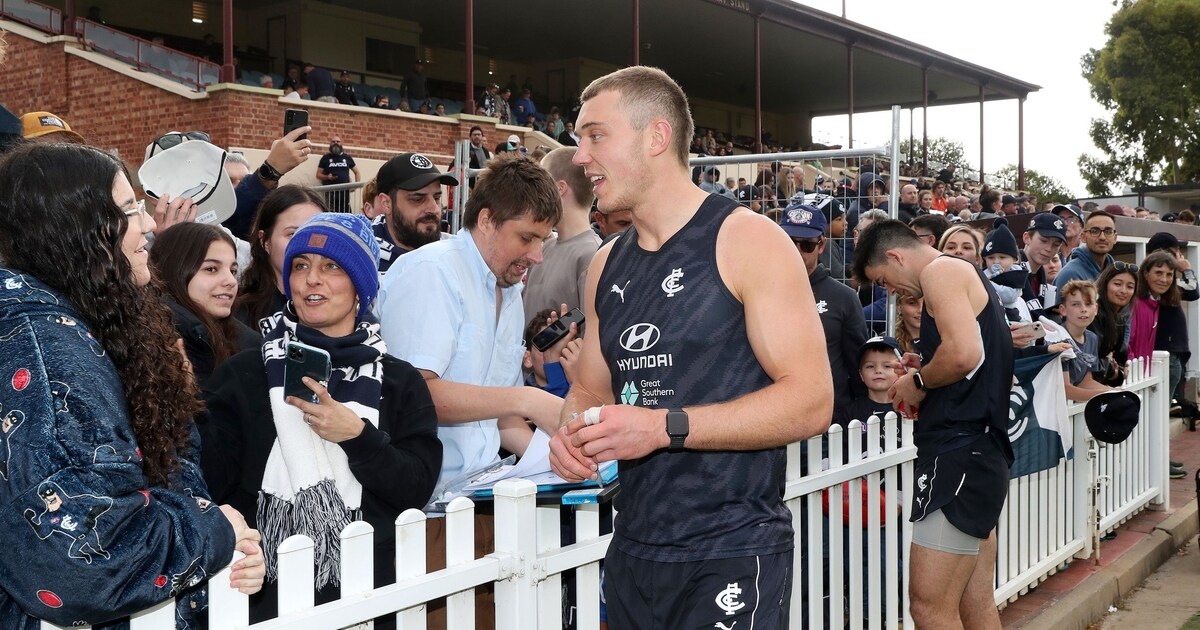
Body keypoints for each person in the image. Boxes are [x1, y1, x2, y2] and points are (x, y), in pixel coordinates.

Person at [549, 66, 833, 628]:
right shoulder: (606, 263)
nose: (580, 156)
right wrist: (573, 438)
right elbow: (589, 386)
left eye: (595, 135)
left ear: (655, 137)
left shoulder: (747, 239)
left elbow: (811, 401)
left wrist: (662, 427)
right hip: (633, 548)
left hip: (730, 548)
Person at [0, 143, 264, 628]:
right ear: (75, 232)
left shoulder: (103, 325)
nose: (147, 227)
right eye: (127, 211)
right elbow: (87, 563)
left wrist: (223, 543)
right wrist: (214, 531)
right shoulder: (45, 348)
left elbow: (161, 475)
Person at [200, 213, 440, 625]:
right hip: (263, 596)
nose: (312, 279)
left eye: (332, 266)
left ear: (360, 285)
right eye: (300, 265)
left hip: (368, 591)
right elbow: (209, 482)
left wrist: (358, 436)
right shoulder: (244, 374)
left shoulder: (398, 381)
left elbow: (415, 487)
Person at [853, 218, 1014, 630]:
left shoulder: (941, 271)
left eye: (884, 280)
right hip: (976, 453)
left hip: (958, 455)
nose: (891, 292)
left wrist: (918, 382)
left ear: (894, 256)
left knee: (929, 607)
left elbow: (963, 355)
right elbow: (971, 359)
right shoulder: (961, 274)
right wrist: (926, 368)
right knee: (974, 605)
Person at [379, 152, 566, 492]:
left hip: (480, 496)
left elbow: (500, 415)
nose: (538, 256)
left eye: (544, 239)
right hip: (425, 505)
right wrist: (528, 401)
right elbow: (416, 396)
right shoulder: (433, 272)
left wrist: (558, 459)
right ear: (486, 220)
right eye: (527, 238)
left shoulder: (508, 290)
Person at [779, 203, 868, 416]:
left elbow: (858, 364)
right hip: (773, 418)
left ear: (821, 245)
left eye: (807, 245)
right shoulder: (757, 292)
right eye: (789, 243)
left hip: (829, 419)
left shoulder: (843, 297)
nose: (798, 251)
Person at [149, 223, 261, 387]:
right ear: (176, 271)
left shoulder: (250, 344)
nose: (231, 281)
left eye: (233, 271)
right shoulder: (152, 346)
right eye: (211, 269)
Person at [523, 147, 600, 322]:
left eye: (540, 184)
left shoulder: (592, 255)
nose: (534, 193)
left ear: (559, 189)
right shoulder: (544, 248)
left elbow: (590, 333)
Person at [235, 185, 326, 329]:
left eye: (316, 234)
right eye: (292, 234)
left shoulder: (342, 306)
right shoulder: (239, 314)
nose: (306, 244)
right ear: (265, 241)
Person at [371, 152, 458, 274]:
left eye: (437, 198)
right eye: (418, 199)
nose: (434, 209)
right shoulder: (359, 261)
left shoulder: (456, 255)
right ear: (386, 203)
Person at [1057, 280, 1113, 402]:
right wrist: (1105, 394)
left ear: (1096, 309)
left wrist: (1112, 391)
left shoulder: (1092, 338)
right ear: (1063, 310)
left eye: (1088, 304)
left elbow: (1085, 382)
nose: (1083, 309)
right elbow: (1065, 389)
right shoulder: (1059, 338)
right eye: (1076, 304)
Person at [1091, 262, 1137, 387]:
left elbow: (1121, 366)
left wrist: (1116, 372)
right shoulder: (1093, 316)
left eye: (1130, 286)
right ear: (1105, 284)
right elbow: (1092, 364)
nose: (1123, 291)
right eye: (1117, 284)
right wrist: (1111, 367)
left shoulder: (1120, 319)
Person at [1055, 210, 1117, 290]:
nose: (1102, 237)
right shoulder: (1070, 275)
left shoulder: (1116, 272)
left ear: (1115, 237)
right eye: (1095, 231)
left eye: (1108, 231)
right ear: (1083, 237)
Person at [316, 136, 360, 212]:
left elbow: (357, 172)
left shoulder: (347, 157)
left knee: (345, 213)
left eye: (338, 141)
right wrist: (327, 177)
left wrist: (355, 186)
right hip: (330, 193)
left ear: (341, 144)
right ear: (330, 144)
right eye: (333, 141)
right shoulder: (325, 158)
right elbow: (318, 175)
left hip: (344, 193)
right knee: (331, 212)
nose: (335, 143)